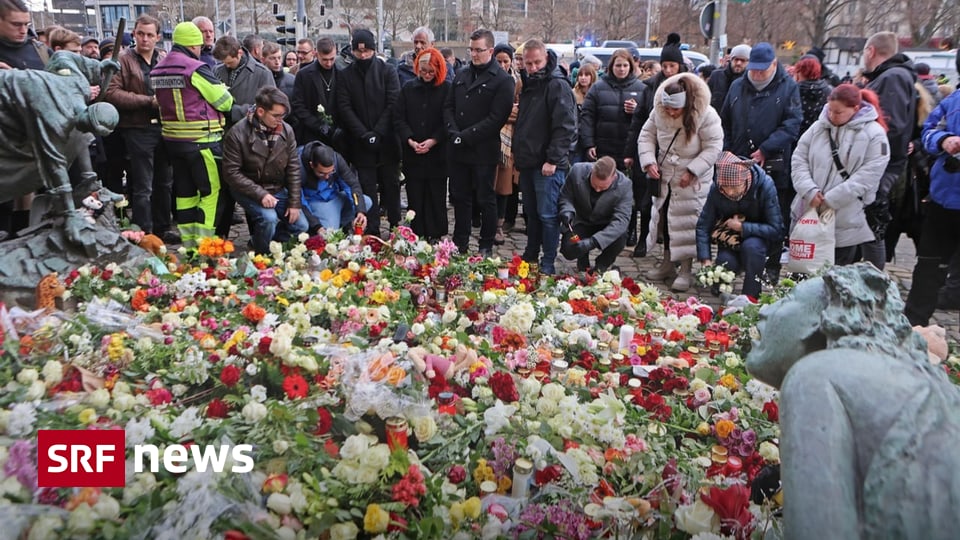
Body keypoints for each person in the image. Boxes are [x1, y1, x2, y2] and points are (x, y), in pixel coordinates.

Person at [747, 264, 959, 540]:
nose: (764, 309)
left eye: (787, 299)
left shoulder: (815, 376)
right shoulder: (932, 386)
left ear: (821, 321)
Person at [720, 41, 801, 280]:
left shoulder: (788, 88)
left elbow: (792, 124)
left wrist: (766, 148)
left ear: (774, 65)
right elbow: (725, 121)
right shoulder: (737, 86)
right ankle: (731, 264)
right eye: (753, 69)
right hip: (738, 162)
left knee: (774, 215)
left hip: (773, 163)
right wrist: (726, 152)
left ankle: (771, 266)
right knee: (736, 213)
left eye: (761, 70)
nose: (756, 74)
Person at [151, 22, 234, 248]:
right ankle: (205, 246)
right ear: (194, 45)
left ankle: (189, 246)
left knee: (185, 194)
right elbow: (224, 102)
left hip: (173, 142)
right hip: (202, 142)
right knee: (212, 192)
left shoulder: (158, 68)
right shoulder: (195, 68)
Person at [639, 72, 723, 291]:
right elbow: (646, 136)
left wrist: (693, 170)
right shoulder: (658, 111)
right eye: (667, 108)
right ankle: (667, 263)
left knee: (688, 224)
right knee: (666, 221)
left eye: (675, 109)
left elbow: (714, 146)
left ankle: (685, 270)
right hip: (665, 177)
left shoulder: (707, 115)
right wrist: (649, 162)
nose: (670, 112)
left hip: (692, 181)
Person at [790, 84, 890, 266]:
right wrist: (809, 189)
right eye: (830, 110)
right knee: (802, 269)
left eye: (838, 112)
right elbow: (799, 158)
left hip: (846, 216)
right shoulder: (818, 127)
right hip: (809, 210)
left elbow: (868, 175)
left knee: (835, 270)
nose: (832, 115)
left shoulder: (875, 134)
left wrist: (831, 199)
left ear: (855, 109)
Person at [104, 14, 177, 243]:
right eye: (140, 34)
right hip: (137, 127)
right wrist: (147, 101)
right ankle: (143, 231)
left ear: (157, 37)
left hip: (164, 127)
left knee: (164, 182)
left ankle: (163, 228)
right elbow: (111, 92)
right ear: (134, 34)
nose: (145, 39)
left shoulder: (163, 59)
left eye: (150, 35)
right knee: (143, 185)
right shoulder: (123, 60)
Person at [443, 29, 515, 256]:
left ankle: (485, 244)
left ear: (490, 51)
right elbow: (449, 106)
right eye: (471, 50)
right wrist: (453, 131)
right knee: (461, 197)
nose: (473, 54)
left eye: (478, 50)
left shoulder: (502, 80)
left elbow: (496, 118)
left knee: (485, 199)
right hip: (458, 148)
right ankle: (460, 242)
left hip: (483, 149)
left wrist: (466, 135)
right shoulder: (462, 74)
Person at [513, 39, 576, 274]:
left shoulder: (556, 84)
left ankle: (548, 261)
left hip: (548, 164)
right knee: (532, 213)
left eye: (537, 62)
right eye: (528, 63)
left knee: (548, 215)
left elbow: (565, 126)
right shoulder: (530, 83)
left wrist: (553, 159)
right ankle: (531, 253)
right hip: (529, 160)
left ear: (546, 58)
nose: (532, 67)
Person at [904, 72, 960, 326]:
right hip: (944, 198)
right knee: (929, 264)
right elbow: (928, 132)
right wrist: (944, 140)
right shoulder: (953, 102)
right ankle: (913, 324)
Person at [222, 87, 307, 254]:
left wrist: (294, 202)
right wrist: (260, 194)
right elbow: (231, 173)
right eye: (276, 115)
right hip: (248, 188)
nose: (280, 120)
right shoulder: (237, 133)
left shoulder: (286, 130)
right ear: (260, 111)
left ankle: (267, 241)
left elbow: (293, 168)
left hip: (276, 187)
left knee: (301, 225)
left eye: (283, 115)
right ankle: (262, 253)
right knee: (269, 219)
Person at [335, 28, 401, 237]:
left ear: (373, 50)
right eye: (358, 52)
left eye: (367, 51)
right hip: (360, 142)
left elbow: (393, 102)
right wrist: (363, 133)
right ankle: (372, 229)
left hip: (387, 140)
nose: (363, 56)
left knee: (391, 185)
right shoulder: (345, 75)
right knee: (367, 186)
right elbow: (344, 107)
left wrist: (378, 132)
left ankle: (396, 227)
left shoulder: (387, 71)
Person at [861, 31, 917, 269]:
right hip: (881, 166)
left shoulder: (893, 77)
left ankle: (873, 280)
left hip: (880, 169)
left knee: (872, 229)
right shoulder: (891, 76)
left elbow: (890, 126)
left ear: (871, 51)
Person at [696, 151, 783, 299]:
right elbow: (703, 225)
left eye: (735, 188)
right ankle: (723, 289)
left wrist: (743, 227)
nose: (730, 192)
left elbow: (776, 229)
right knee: (726, 262)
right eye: (725, 187)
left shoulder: (765, 186)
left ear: (746, 180)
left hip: (758, 239)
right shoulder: (717, 189)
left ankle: (750, 296)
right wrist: (705, 259)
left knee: (751, 248)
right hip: (730, 240)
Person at [394, 47, 450, 241]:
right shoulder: (408, 88)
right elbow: (399, 118)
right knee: (415, 194)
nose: (426, 75)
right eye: (423, 71)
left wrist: (434, 140)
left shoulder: (446, 89)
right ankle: (416, 231)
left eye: (431, 72)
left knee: (436, 194)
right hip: (413, 151)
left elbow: (447, 120)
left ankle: (435, 232)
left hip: (437, 152)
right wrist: (409, 139)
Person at [558, 157, 633, 273]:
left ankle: (601, 265)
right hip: (582, 221)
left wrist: (593, 242)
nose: (597, 190)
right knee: (568, 249)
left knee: (620, 237)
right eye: (594, 185)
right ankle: (582, 258)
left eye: (602, 187)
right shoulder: (577, 171)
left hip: (606, 224)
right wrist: (567, 210)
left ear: (614, 178)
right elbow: (566, 196)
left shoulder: (624, 185)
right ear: (592, 171)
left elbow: (621, 221)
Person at [580, 49, 646, 171]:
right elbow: (587, 117)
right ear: (611, 66)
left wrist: (637, 111)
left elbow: (649, 118)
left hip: (630, 150)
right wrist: (588, 144)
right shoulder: (597, 88)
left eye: (625, 65)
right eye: (618, 65)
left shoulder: (642, 88)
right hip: (603, 149)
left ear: (630, 66)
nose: (622, 69)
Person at [298, 141, 370, 233]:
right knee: (330, 233)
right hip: (315, 201)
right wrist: (316, 225)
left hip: (334, 195)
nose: (327, 177)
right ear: (312, 165)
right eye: (321, 173)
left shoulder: (336, 159)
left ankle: (341, 224)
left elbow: (352, 185)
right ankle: (327, 226)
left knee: (366, 202)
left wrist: (360, 211)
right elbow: (299, 200)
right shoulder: (299, 167)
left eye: (330, 172)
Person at [493, 43, 522, 241]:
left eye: (506, 61)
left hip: (509, 141)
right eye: (499, 61)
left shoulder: (517, 82)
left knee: (505, 185)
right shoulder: (489, 79)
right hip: (490, 138)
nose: (502, 65)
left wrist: (503, 114)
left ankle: (500, 224)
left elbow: (519, 111)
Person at [792, 55, 832, 137]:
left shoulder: (793, 90)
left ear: (799, 72)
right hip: (819, 135)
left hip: (794, 135)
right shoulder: (828, 90)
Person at [708, 43, 749, 112]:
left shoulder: (749, 81)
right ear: (731, 60)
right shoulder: (716, 76)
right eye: (736, 59)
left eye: (743, 60)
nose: (738, 63)